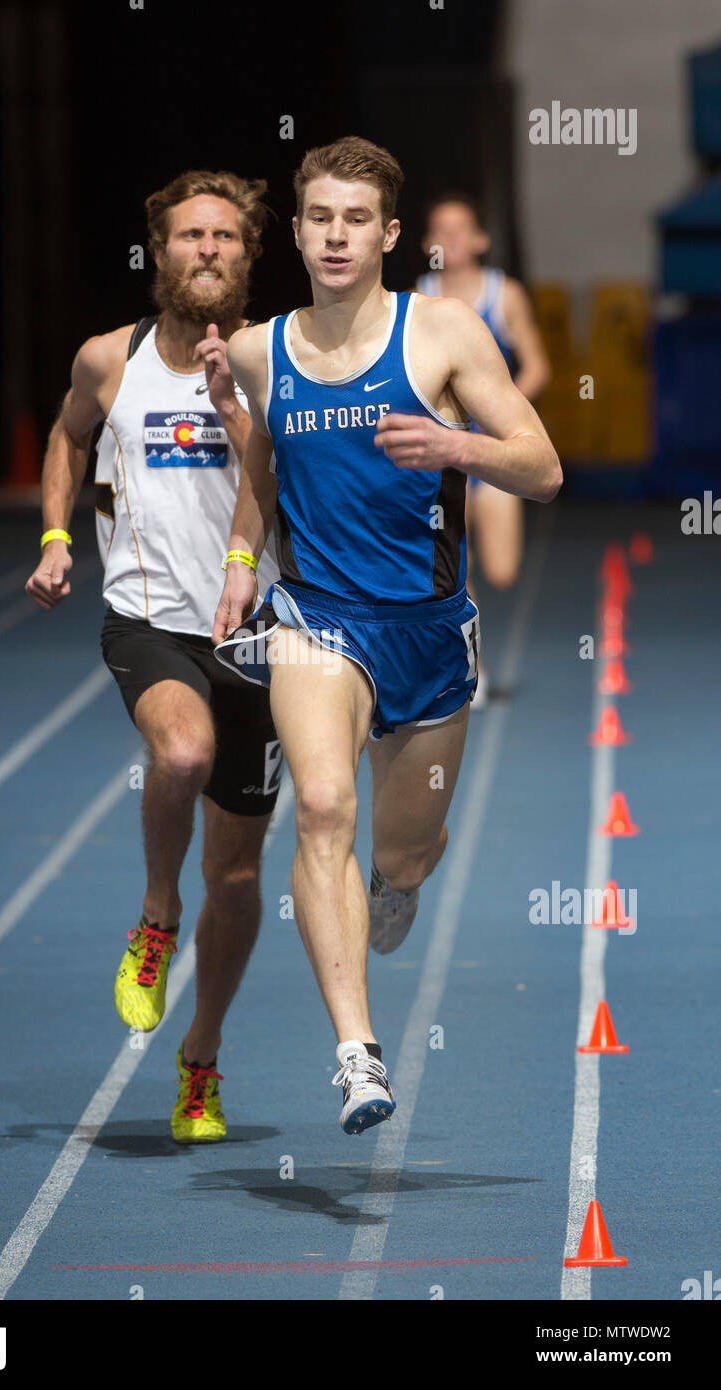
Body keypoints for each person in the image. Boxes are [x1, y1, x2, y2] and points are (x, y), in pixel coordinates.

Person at [211, 137, 561, 1135]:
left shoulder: (443, 333)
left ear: (387, 234)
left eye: (354, 219)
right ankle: (356, 1056)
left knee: (403, 849)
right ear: (297, 228)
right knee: (320, 803)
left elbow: (541, 468)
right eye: (318, 216)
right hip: (317, 620)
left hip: (428, 632)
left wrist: (454, 444)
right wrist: (244, 570)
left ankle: (396, 879)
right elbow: (259, 476)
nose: (334, 234)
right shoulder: (255, 351)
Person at [25, 170, 282, 1143]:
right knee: (178, 755)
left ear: (248, 256)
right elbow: (64, 435)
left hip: (257, 636)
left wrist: (230, 406)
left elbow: (290, 486)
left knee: (241, 879)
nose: (206, 248)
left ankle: (199, 1058)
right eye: (188, 235)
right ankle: (153, 910)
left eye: (224, 235)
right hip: (148, 620)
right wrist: (55, 537)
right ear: (158, 251)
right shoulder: (109, 359)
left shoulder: (272, 363)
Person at [417, 193, 551, 704]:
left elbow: (538, 366)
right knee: (456, 569)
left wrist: (501, 414)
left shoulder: (505, 294)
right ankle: (470, 666)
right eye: (440, 229)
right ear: (427, 241)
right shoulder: (418, 298)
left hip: (493, 454)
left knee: (501, 569)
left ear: (480, 239)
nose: (450, 239)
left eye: (461, 229)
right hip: (448, 456)